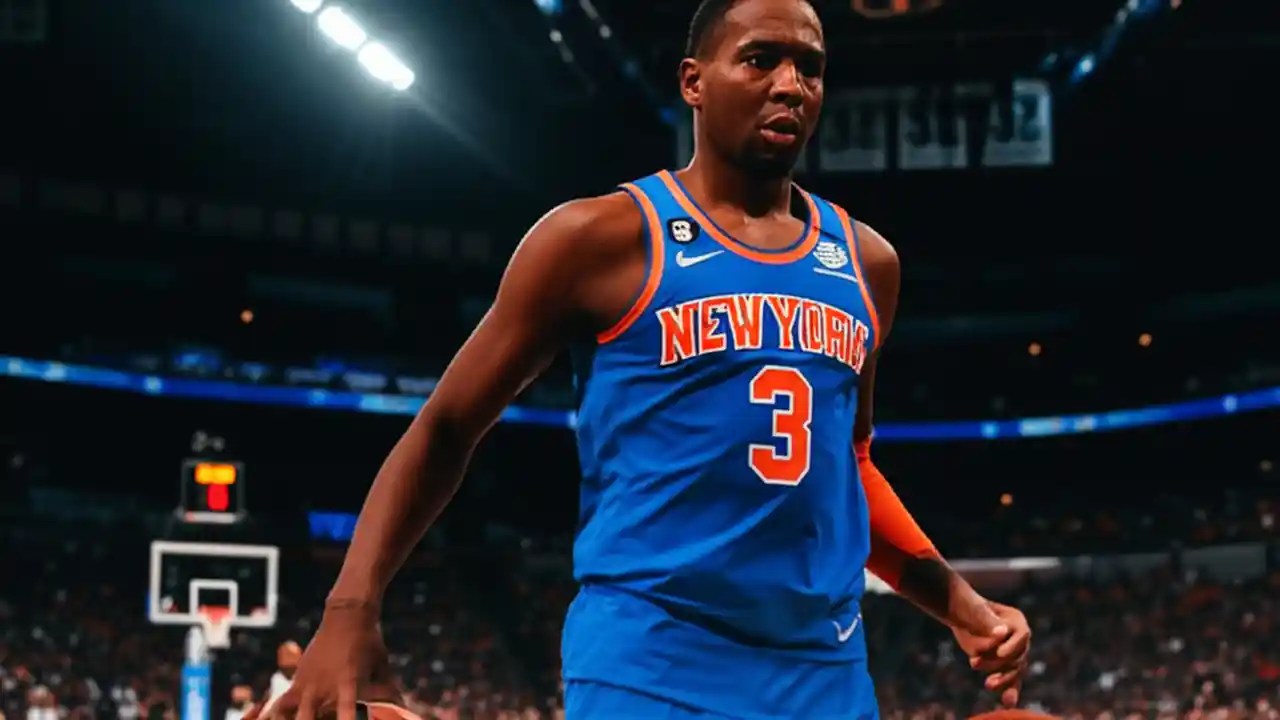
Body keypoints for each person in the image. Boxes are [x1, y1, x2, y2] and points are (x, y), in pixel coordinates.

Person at [250, 0, 1032, 717]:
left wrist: (961, 606)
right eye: (760, 59)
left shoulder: (867, 263)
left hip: (823, 672)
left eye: (811, 67)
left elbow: (849, 467)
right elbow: (447, 427)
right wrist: (351, 608)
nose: (790, 85)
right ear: (694, 82)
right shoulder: (597, 240)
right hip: (650, 662)